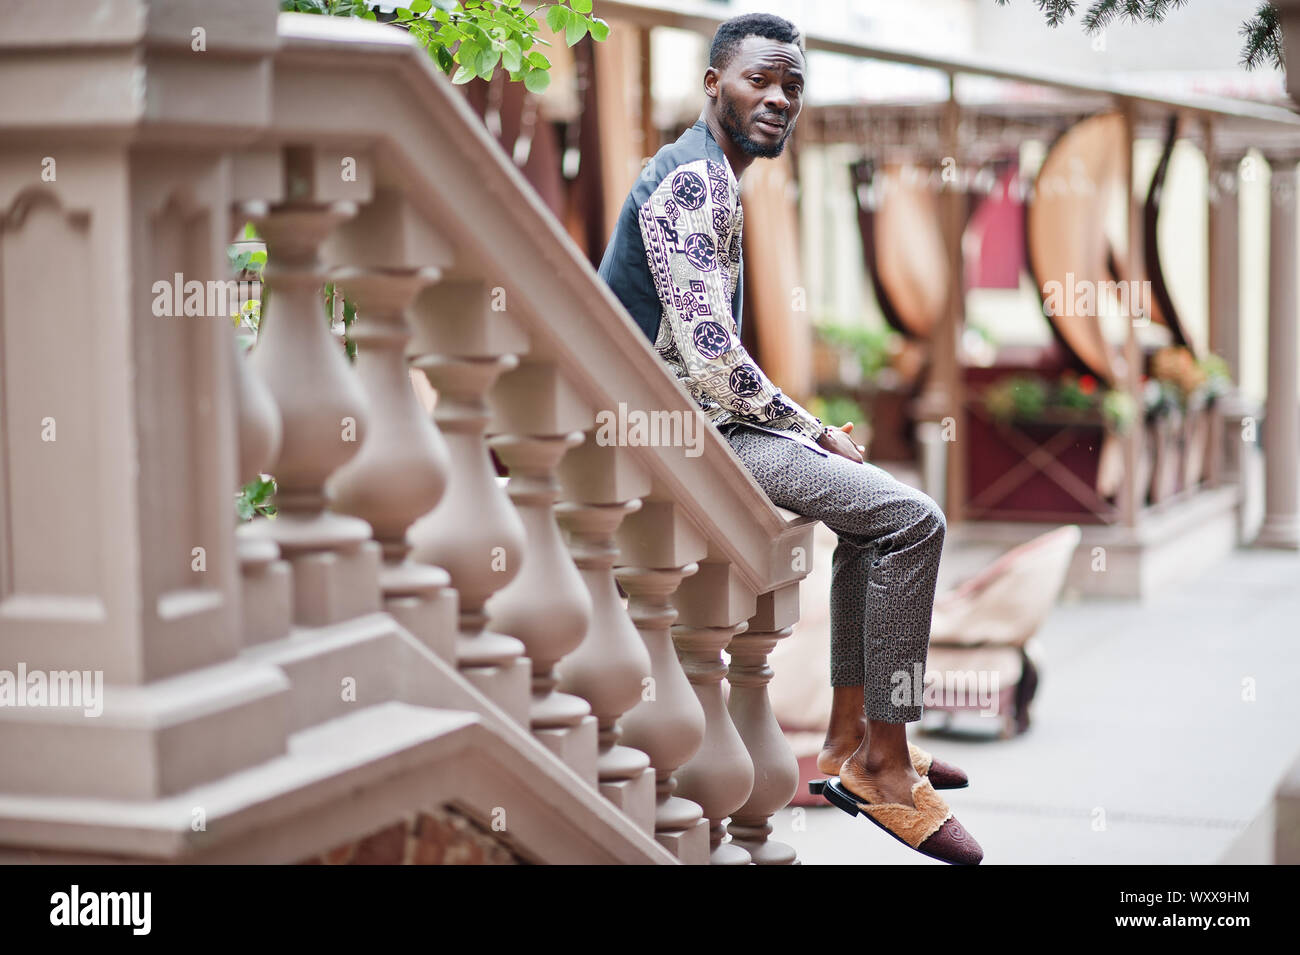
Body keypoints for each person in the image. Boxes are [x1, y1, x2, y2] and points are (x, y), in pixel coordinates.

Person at [597, 12, 983, 865]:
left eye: (792, 87)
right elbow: (709, 363)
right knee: (912, 520)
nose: (777, 99)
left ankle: (857, 738)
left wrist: (808, 432)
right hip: (680, 436)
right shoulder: (695, 182)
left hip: (695, 426)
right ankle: (882, 761)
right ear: (712, 86)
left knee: (875, 525)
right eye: (758, 81)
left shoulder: (711, 176)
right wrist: (812, 430)